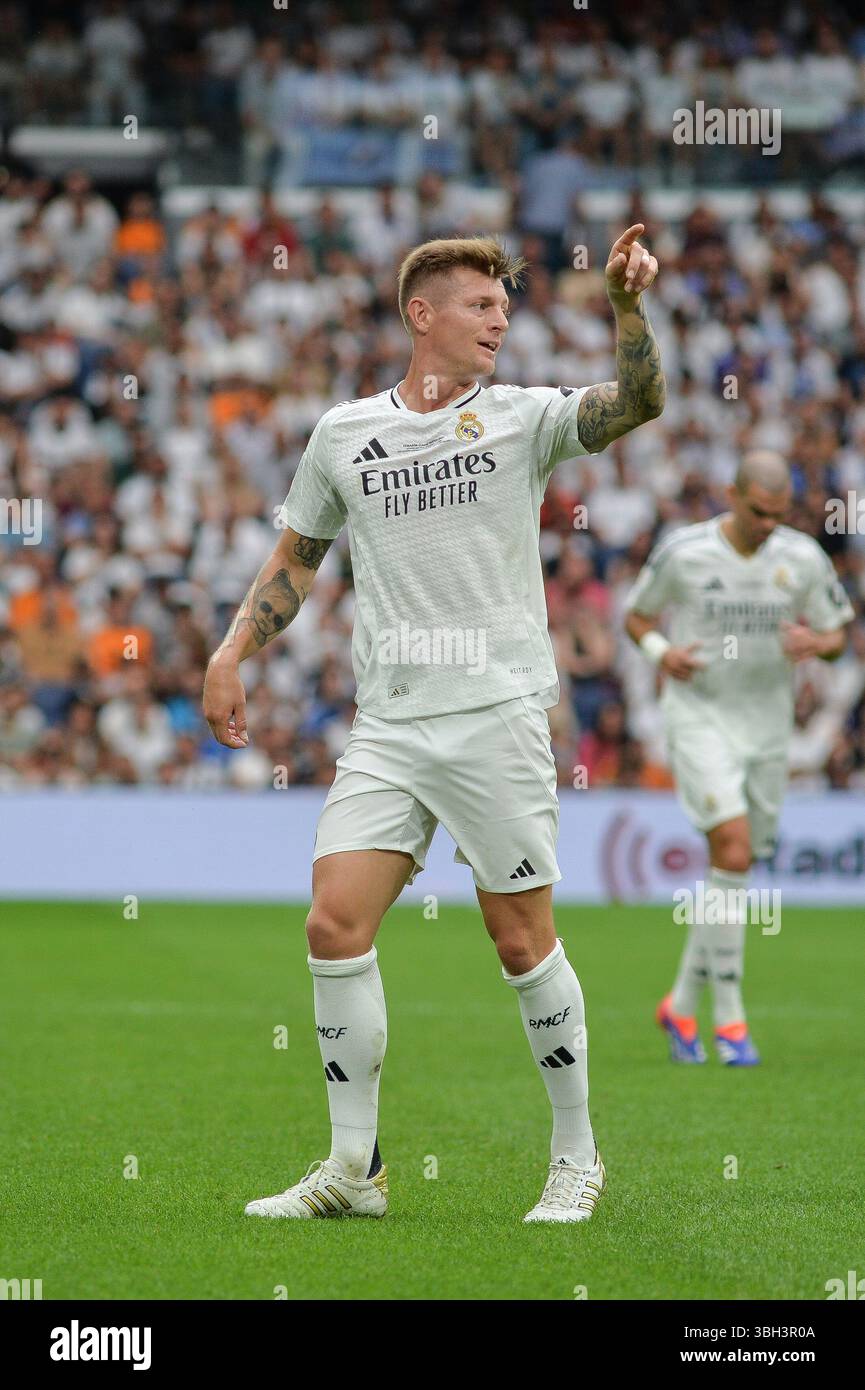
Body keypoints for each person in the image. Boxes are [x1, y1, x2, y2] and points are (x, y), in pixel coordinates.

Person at [204, 226, 663, 1223]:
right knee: (334, 920)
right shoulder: (343, 433)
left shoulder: (523, 417)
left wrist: (627, 311)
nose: (500, 319)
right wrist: (234, 649)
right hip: (391, 722)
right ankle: (352, 1169)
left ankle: (576, 1157)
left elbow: (637, 402)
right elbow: (295, 559)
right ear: (423, 315)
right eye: (480, 304)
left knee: (518, 938)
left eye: (505, 306)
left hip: (496, 712)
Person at [624, 451, 854, 1066]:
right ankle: (729, 1022)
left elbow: (838, 633)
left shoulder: (801, 557)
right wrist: (661, 652)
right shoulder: (685, 551)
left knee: (738, 866)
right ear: (732, 494)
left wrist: (818, 644)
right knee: (729, 847)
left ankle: (678, 1003)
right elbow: (636, 616)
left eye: (778, 515)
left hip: (767, 728)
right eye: (758, 512)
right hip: (699, 716)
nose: (767, 525)